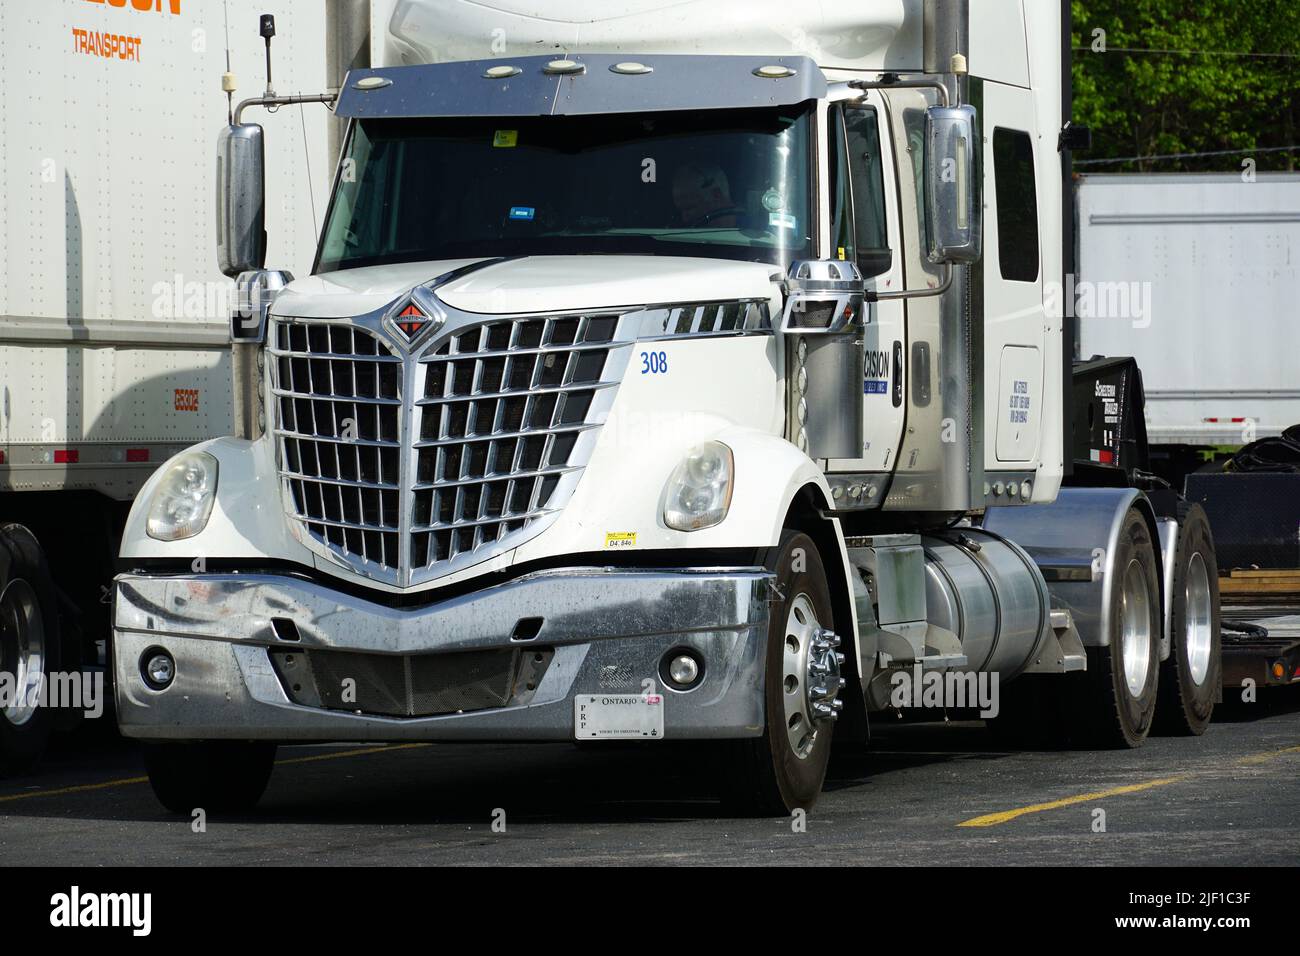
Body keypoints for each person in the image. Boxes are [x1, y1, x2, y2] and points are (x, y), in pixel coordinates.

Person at [671, 162, 743, 228]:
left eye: (690, 207)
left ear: (716, 195)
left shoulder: (752, 233)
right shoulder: (682, 237)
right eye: (681, 211)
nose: (684, 219)